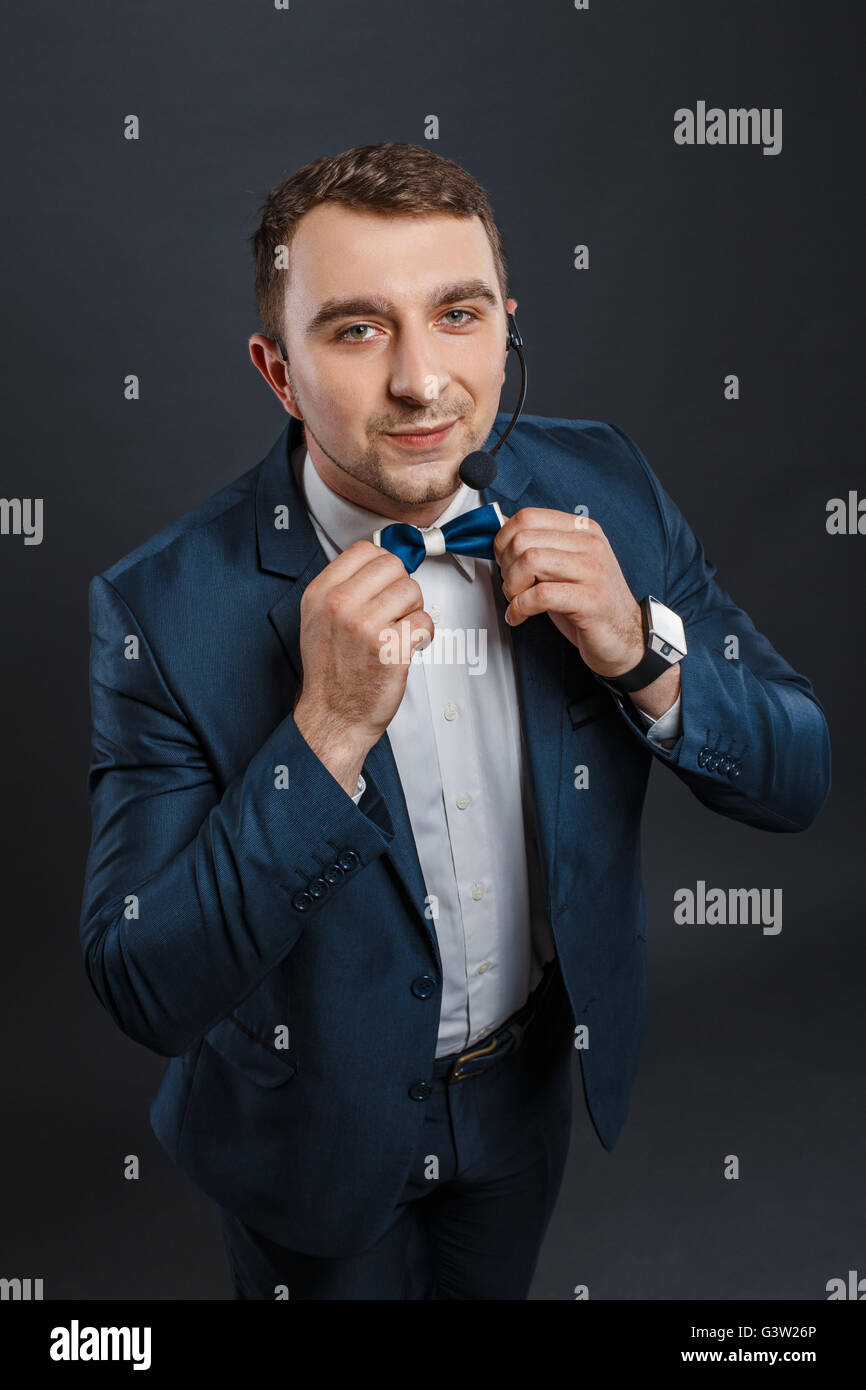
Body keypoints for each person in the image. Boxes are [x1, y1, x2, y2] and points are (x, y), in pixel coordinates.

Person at [79, 142, 831, 1300]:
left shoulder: (606, 484)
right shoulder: (159, 607)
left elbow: (796, 773)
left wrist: (640, 651)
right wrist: (322, 734)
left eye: (458, 313)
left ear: (505, 321)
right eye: (357, 328)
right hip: (305, 1132)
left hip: (526, 1098)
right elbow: (144, 983)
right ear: (278, 371)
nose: (424, 383)